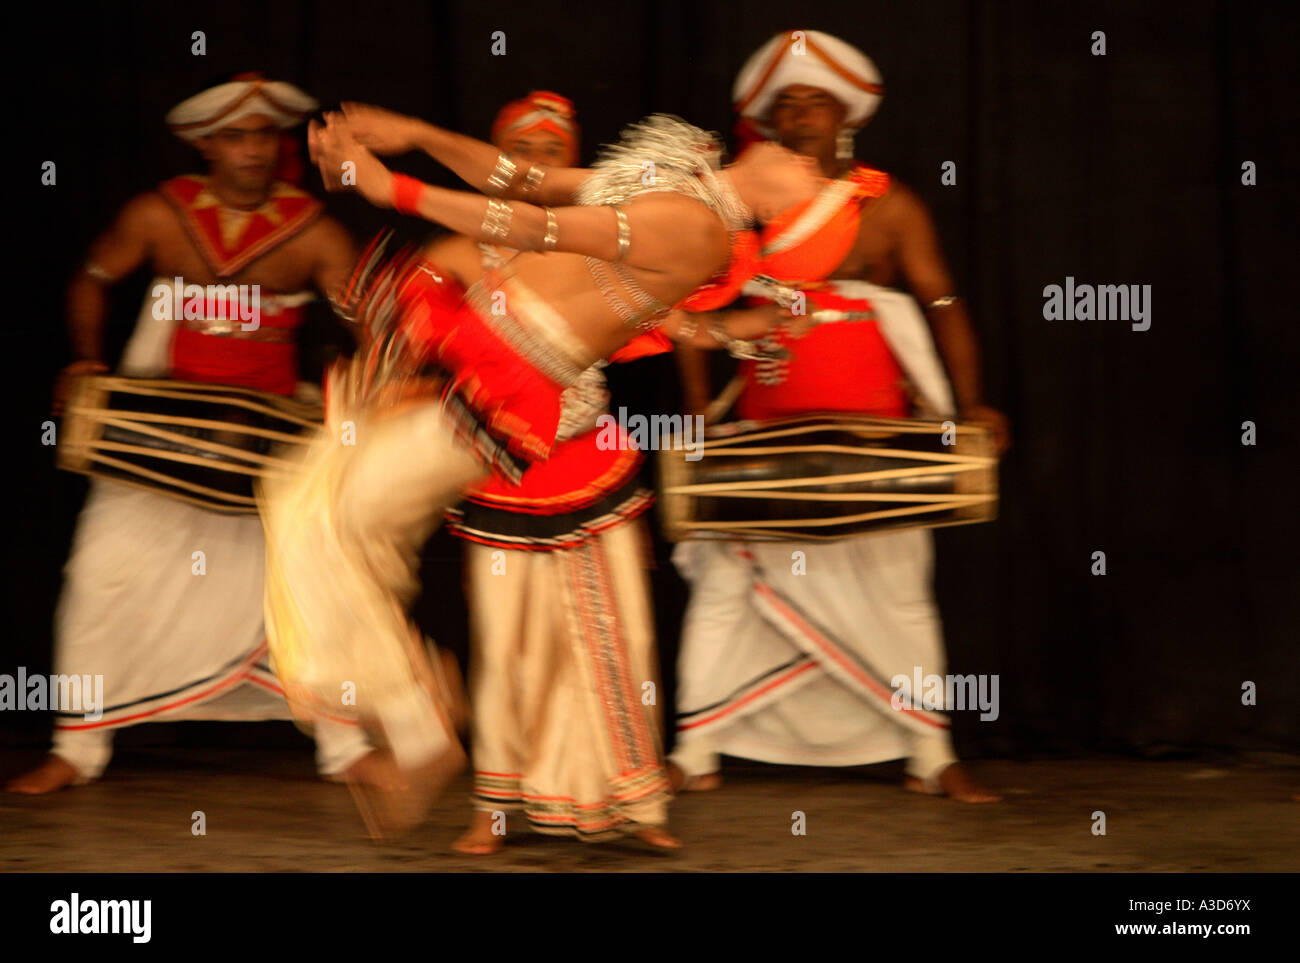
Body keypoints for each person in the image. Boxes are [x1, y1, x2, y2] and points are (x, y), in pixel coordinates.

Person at [256, 102, 819, 837]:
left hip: (511, 395)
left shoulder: (698, 228)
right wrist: (416, 134)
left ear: (778, 209)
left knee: (319, 513)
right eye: (804, 158)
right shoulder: (679, 180)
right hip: (481, 373)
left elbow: (534, 226)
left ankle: (440, 729)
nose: (806, 159)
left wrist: (390, 187)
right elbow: (527, 185)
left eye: (813, 176)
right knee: (308, 503)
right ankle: (421, 724)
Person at [7, 75, 375, 795]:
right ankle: (76, 747)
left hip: (267, 436)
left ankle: (346, 745)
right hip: (160, 435)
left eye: (264, 135)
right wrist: (86, 359)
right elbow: (90, 276)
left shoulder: (314, 232)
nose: (252, 150)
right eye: (235, 136)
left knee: (318, 580)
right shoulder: (160, 214)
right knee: (99, 574)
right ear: (206, 144)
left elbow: (371, 324)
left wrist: (364, 388)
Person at [669, 31, 1009, 803]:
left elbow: (943, 304)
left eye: (814, 102)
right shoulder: (739, 206)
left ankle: (932, 752)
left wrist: (970, 403)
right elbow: (690, 307)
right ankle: (695, 748)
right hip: (764, 430)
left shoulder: (888, 205)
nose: (799, 115)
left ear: (845, 114)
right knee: (726, 586)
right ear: (769, 121)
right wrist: (695, 411)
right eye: (785, 104)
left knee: (899, 592)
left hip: (878, 437)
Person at [419, 92, 678, 852]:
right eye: (520, 151)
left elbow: (668, 325)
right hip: (499, 468)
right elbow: (407, 345)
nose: (534, 165)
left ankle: (636, 804)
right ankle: (494, 807)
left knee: (619, 634)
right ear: (495, 163)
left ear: (572, 167)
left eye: (551, 153)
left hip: (593, 462)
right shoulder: (457, 253)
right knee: (506, 644)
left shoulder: (601, 246)